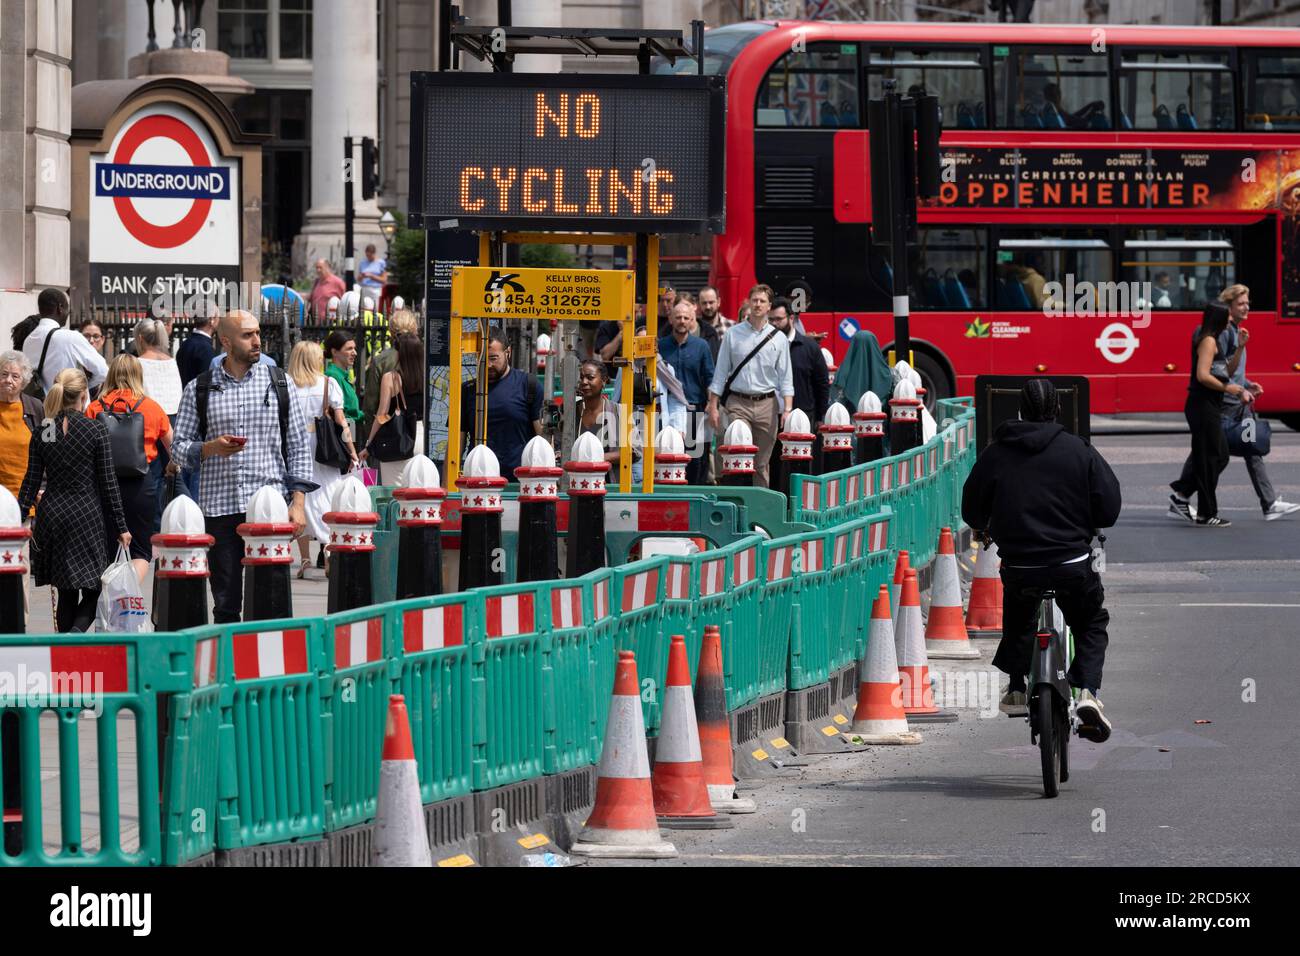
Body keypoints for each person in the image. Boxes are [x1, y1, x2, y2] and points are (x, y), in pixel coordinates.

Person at [961, 378, 1122, 742]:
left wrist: (985, 525)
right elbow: (1109, 506)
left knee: (1019, 619)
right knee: (1091, 624)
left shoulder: (996, 452)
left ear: (1020, 411)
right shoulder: (1079, 451)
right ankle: (1087, 693)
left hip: (1020, 565)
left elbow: (971, 507)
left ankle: (1017, 685)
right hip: (1072, 563)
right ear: (1057, 411)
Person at [171, 310, 314, 623]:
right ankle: (227, 667)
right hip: (220, 508)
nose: (257, 341)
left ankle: (269, 665)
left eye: (258, 333)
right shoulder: (199, 388)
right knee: (226, 602)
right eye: (247, 335)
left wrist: (299, 502)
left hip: (269, 506)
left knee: (270, 600)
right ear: (225, 341)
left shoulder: (279, 382)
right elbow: (178, 450)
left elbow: (298, 446)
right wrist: (210, 448)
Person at [1169, 285, 1298, 523]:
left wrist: (1245, 381)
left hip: (1236, 400)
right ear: (1226, 309)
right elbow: (1212, 375)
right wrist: (1235, 390)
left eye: (1247, 302)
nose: (1246, 307)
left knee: (1217, 451)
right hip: (1228, 404)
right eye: (1241, 304)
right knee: (1220, 453)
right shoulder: (1220, 334)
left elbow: (1229, 371)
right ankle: (1189, 498)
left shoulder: (1233, 331)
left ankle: (1184, 496)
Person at [18, 369, 130, 633]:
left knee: (67, 590)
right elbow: (108, 483)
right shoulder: (95, 429)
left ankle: (66, 649)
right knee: (95, 588)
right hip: (86, 514)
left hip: (53, 514)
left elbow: (31, 480)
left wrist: (18, 516)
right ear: (83, 395)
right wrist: (122, 526)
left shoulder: (45, 429)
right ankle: (75, 636)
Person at [86, 354, 172, 582]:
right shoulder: (152, 408)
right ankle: (125, 595)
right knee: (141, 550)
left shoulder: (94, 408)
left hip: (103, 486)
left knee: (104, 549)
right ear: (139, 376)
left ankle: (107, 593)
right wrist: (172, 467)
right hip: (141, 486)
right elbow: (175, 449)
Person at [1168, 303, 1251, 527]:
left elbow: (1227, 373)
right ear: (1218, 320)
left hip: (1210, 405)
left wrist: (1241, 348)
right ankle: (1206, 512)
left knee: (1214, 456)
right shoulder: (1208, 341)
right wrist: (1228, 389)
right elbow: (1203, 376)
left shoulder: (1216, 342)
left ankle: (1184, 494)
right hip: (1202, 405)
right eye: (1225, 319)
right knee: (1213, 457)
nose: (1228, 323)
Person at [706, 284, 794, 489]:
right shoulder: (733, 334)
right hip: (738, 403)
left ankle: (760, 510)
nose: (757, 304)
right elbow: (720, 373)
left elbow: (786, 377)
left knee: (761, 464)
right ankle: (736, 502)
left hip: (767, 404)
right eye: (754, 300)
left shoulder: (779, 338)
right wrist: (713, 405)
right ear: (749, 302)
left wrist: (787, 409)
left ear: (769, 306)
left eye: (762, 301)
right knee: (737, 454)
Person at [286, 340, 357, 579]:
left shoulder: (288, 385)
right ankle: (328, 549)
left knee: (301, 500)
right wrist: (351, 448)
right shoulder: (328, 384)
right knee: (328, 495)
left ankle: (305, 560)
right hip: (323, 447)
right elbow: (341, 421)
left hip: (296, 445)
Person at [459, 327, 543, 482]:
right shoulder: (468, 390)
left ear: (508, 352)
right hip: (478, 483)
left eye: (493, 358)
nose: (488, 365)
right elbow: (458, 441)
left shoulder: (528, 385)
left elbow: (542, 438)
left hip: (520, 483)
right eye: (482, 358)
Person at [658, 295, 715, 484]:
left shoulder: (701, 346)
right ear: (671, 319)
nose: (682, 321)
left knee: (696, 459)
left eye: (686, 318)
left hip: (694, 410)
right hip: (667, 411)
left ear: (692, 320)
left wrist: (712, 405)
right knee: (670, 455)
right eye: (678, 317)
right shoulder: (659, 346)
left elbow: (709, 377)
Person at [362, 332, 425, 485]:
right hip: (420, 437)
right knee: (417, 490)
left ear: (400, 354)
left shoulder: (391, 378)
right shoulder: (426, 376)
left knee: (395, 493)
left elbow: (382, 414)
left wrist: (369, 444)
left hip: (396, 438)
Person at [21, 289, 108, 394]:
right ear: (60, 308)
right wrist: (83, 388)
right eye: (68, 307)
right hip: (68, 405)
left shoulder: (28, 340)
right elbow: (103, 371)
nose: (68, 313)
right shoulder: (70, 337)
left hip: (40, 407)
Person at [361, 308, 419, 435]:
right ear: (415, 329)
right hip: (420, 432)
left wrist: (370, 440)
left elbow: (371, 405)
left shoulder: (381, 360)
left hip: (390, 434)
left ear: (391, 331)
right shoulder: (425, 358)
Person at [0, 351, 44, 499]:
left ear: (23, 382)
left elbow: (50, 447)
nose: (8, 380)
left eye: (15, 376)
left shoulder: (38, 407)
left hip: (27, 496)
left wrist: (43, 487)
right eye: (4, 374)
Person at [576, 358, 622, 472]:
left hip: (611, 485)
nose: (584, 382)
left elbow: (634, 452)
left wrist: (596, 458)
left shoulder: (619, 412)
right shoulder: (569, 412)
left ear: (604, 381)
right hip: (576, 482)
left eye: (590, 378)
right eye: (581, 378)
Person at [323, 330, 364, 449]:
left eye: (354, 348)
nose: (355, 353)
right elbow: (341, 414)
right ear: (334, 352)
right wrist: (351, 450)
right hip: (342, 436)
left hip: (349, 432)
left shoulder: (342, 375)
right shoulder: (333, 376)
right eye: (349, 349)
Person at [177, 310, 217, 386]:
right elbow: (207, 382)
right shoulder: (205, 348)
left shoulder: (186, 343)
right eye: (218, 317)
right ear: (212, 320)